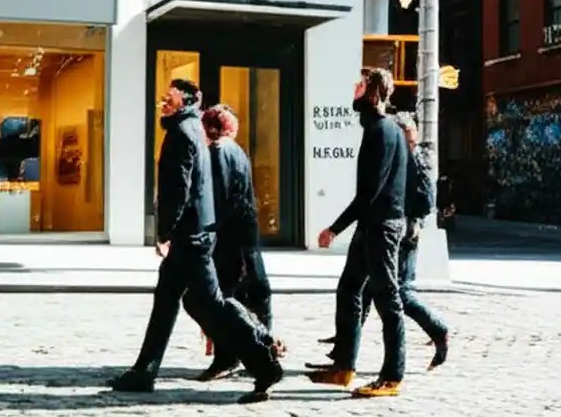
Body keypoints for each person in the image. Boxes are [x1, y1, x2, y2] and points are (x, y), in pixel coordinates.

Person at [109, 80, 284, 404]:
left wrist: (165, 233)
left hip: (190, 237)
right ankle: (144, 371)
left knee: (213, 304)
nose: (164, 99)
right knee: (166, 300)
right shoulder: (192, 129)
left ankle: (263, 357)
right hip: (195, 234)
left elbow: (179, 189)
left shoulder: (182, 133)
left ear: (185, 100)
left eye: (170, 96)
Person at [307, 112, 449, 371]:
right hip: (388, 230)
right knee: (363, 290)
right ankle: (344, 350)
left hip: (402, 235)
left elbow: (423, 201)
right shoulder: (398, 154)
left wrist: (408, 223)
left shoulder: (414, 160)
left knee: (397, 293)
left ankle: (437, 330)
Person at [308, 68, 409, 398]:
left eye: (361, 84)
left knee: (387, 300)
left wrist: (333, 229)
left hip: (380, 227)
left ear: (373, 93)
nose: (354, 88)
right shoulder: (381, 129)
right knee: (349, 289)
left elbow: (368, 193)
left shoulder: (381, 131)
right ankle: (343, 366)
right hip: (373, 224)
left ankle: (392, 376)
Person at [188, 104, 275, 382]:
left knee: (220, 298)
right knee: (251, 295)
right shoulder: (236, 151)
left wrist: (208, 233)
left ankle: (230, 356)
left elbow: (217, 199)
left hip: (228, 238)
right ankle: (260, 350)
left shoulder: (218, 153)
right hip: (244, 236)